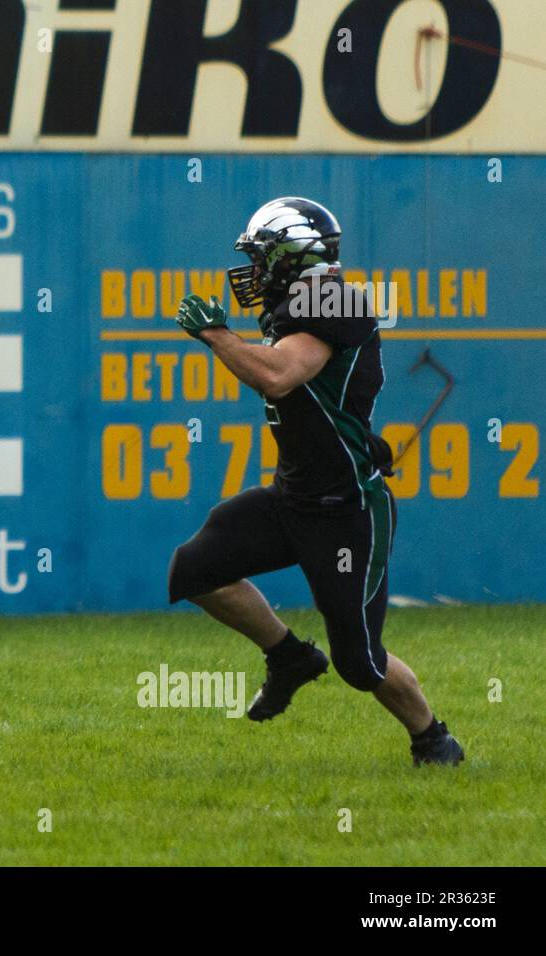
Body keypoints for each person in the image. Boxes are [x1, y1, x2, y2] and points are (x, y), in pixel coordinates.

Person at [170, 196, 463, 767]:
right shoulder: (305, 303)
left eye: (261, 257)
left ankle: (433, 739)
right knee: (197, 567)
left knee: (359, 662)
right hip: (295, 498)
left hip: (346, 509)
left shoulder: (330, 298)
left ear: (291, 254)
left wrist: (217, 336)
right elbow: (324, 394)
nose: (253, 272)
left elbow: (279, 377)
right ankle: (288, 657)